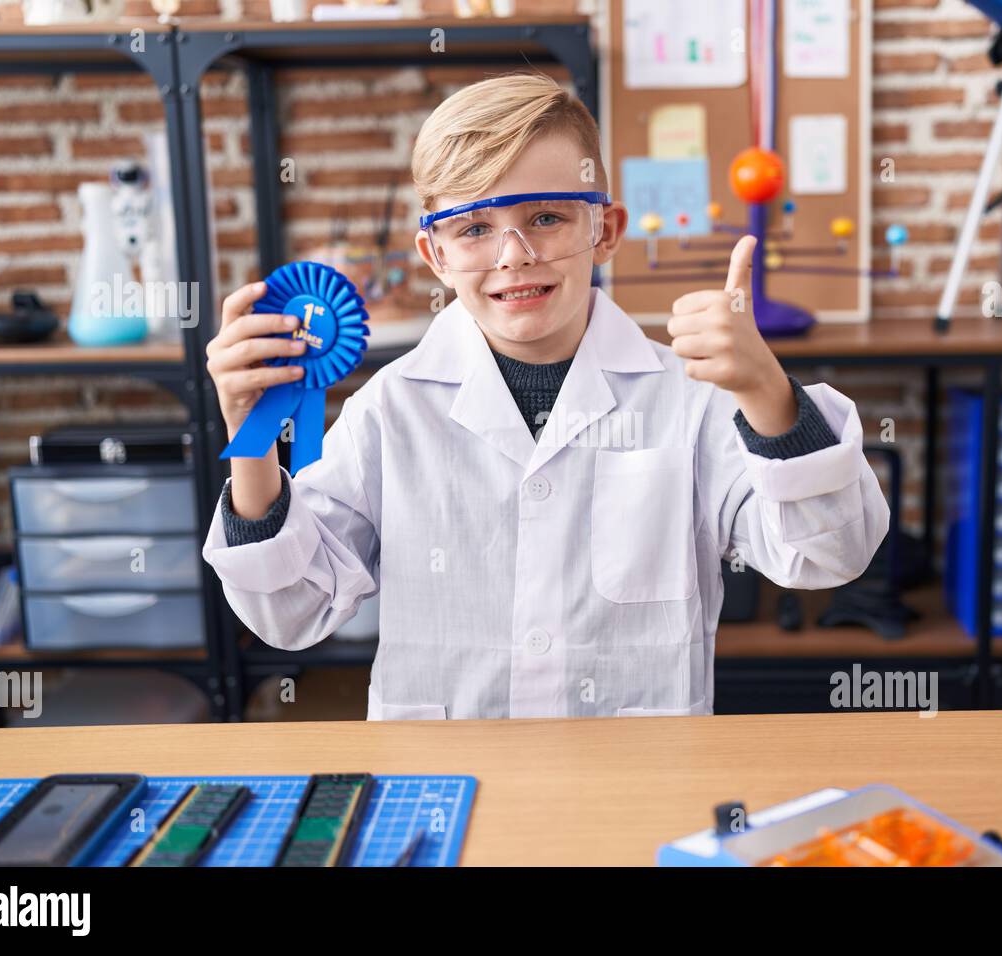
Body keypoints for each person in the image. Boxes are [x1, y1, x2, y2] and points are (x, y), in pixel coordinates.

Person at [202, 73, 889, 720]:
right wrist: (252, 438)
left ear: (605, 230)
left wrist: (767, 392)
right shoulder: (392, 409)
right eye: (474, 227)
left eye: (547, 218)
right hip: (444, 784)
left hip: (634, 787)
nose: (513, 255)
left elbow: (831, 554)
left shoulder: (691, 402)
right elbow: (291, 613)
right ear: (435, 254)